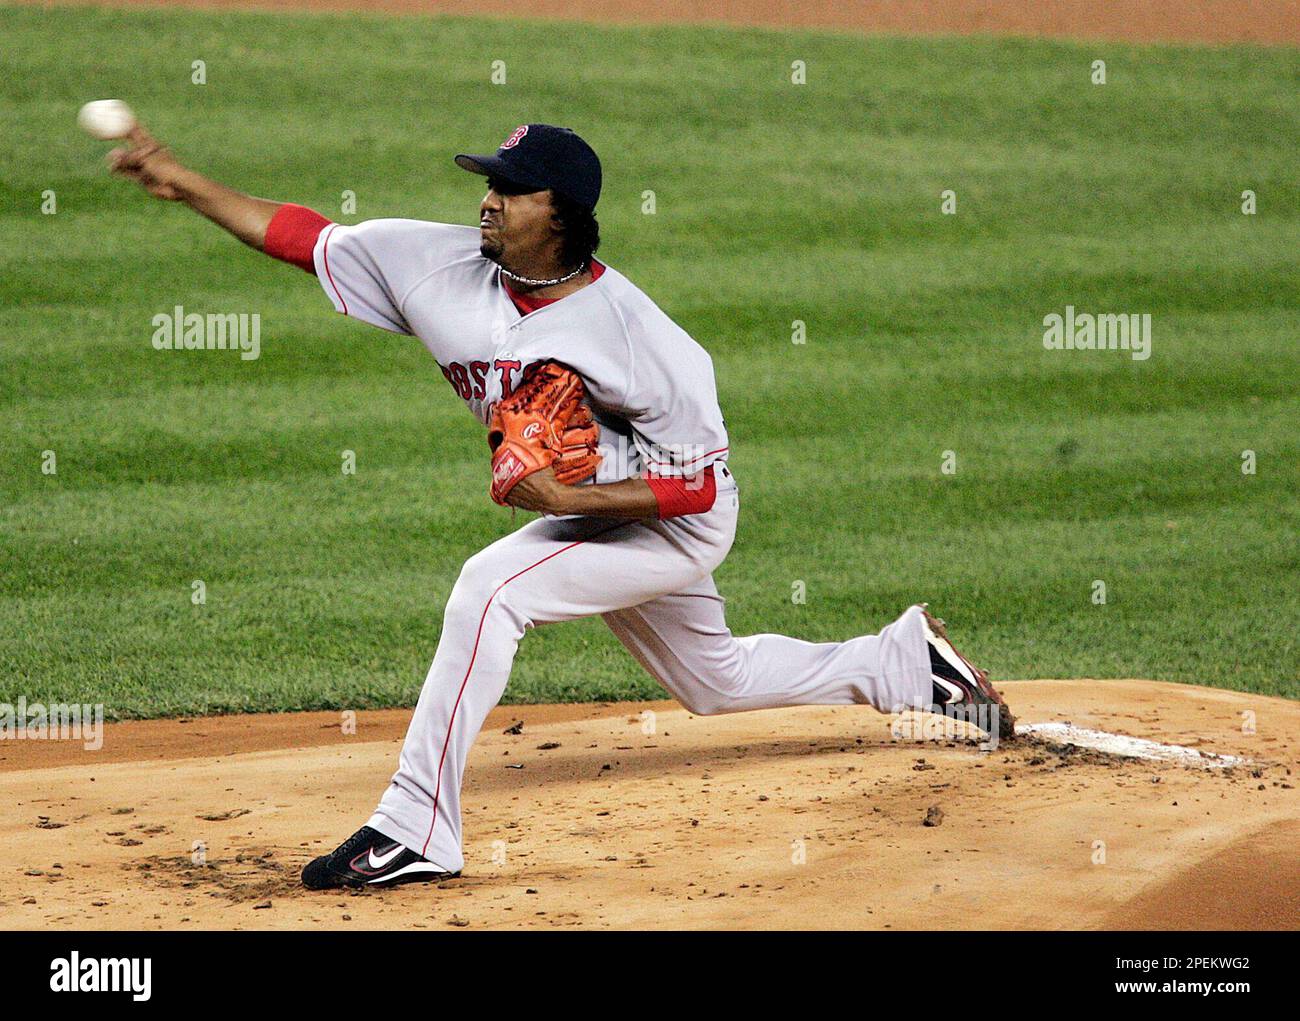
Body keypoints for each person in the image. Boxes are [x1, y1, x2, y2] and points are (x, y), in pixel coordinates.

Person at [108, 121, 1012, 889]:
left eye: (513, 188)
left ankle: (417, 827)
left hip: (674, 520)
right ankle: (903, 665)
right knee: (714, 682)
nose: (489, 200)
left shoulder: (644, 340)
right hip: (592, 511)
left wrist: (573, 493)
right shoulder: (435, 263)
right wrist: (183, 182)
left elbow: (698, 483)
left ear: (563, 216)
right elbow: (305, 238)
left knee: (491, 586)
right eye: (489, 184)